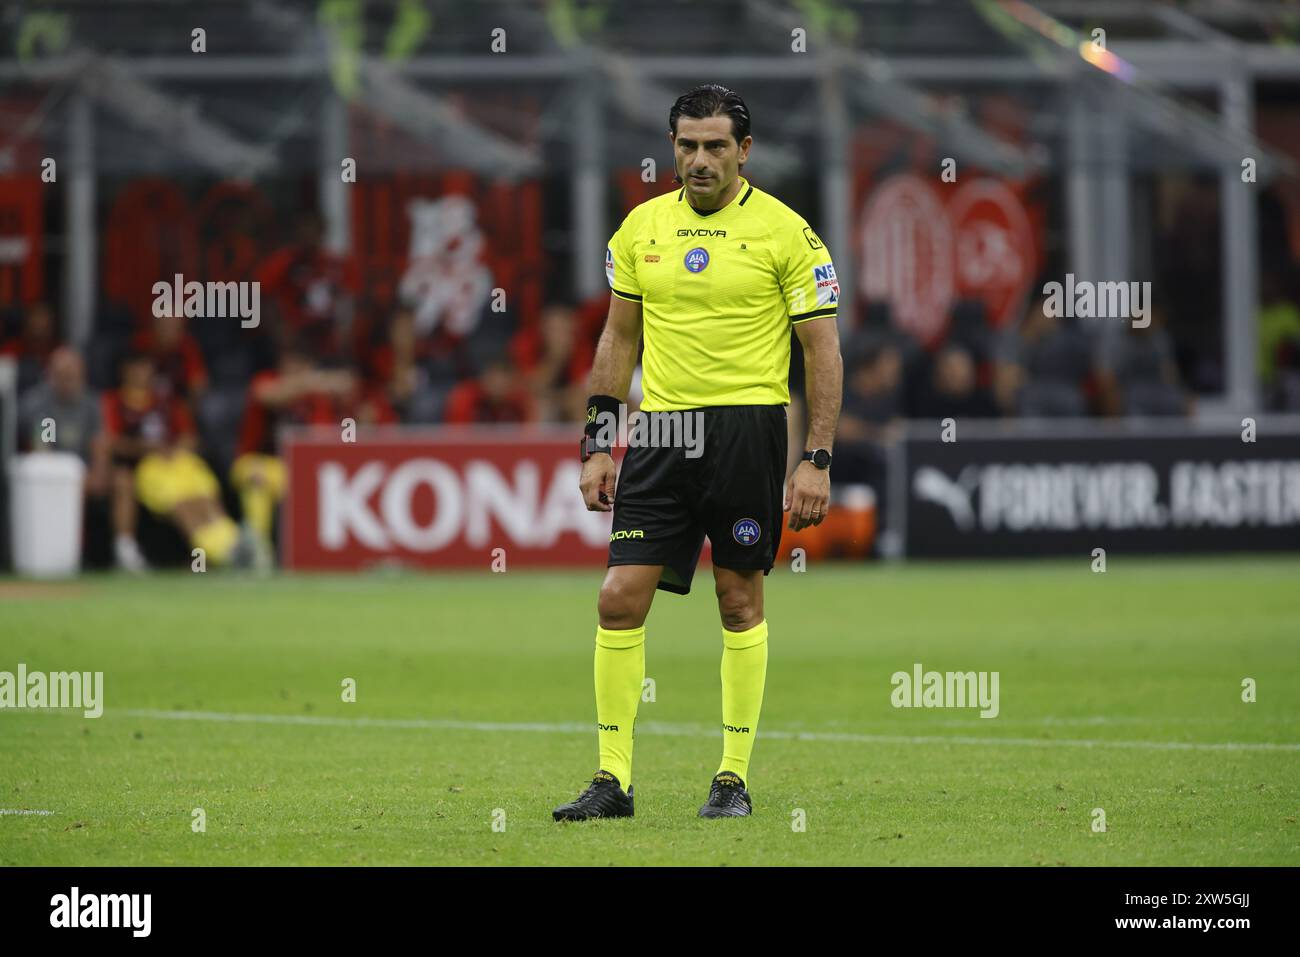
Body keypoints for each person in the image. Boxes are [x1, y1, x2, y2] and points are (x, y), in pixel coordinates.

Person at [552, 84, 842, 822]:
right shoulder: (641, 228)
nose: (700, 159)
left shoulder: (788, 234)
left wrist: (817, 457)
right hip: (659, 434)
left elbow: (822, 351)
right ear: (672, 147)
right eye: (687, 145)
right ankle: (612, 779)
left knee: (738, 598)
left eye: (716, 146)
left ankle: (732, 777)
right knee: (618, 598)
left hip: (747, 431)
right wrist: (596, 442)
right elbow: (618, 340)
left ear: (744, 150)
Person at [102, 351, 246, 572]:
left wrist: (174, 450)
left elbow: (190, 437)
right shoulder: (114, 401)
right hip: (146, 467)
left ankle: (233, 543)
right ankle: (214, 553)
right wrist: (145, 448)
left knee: (204, 498)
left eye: (146, 368)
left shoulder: (167, 402)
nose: (142, 374)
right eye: (137, 368)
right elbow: (110, 441)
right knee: (182, 504)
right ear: (125, 371)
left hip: (178, 462)